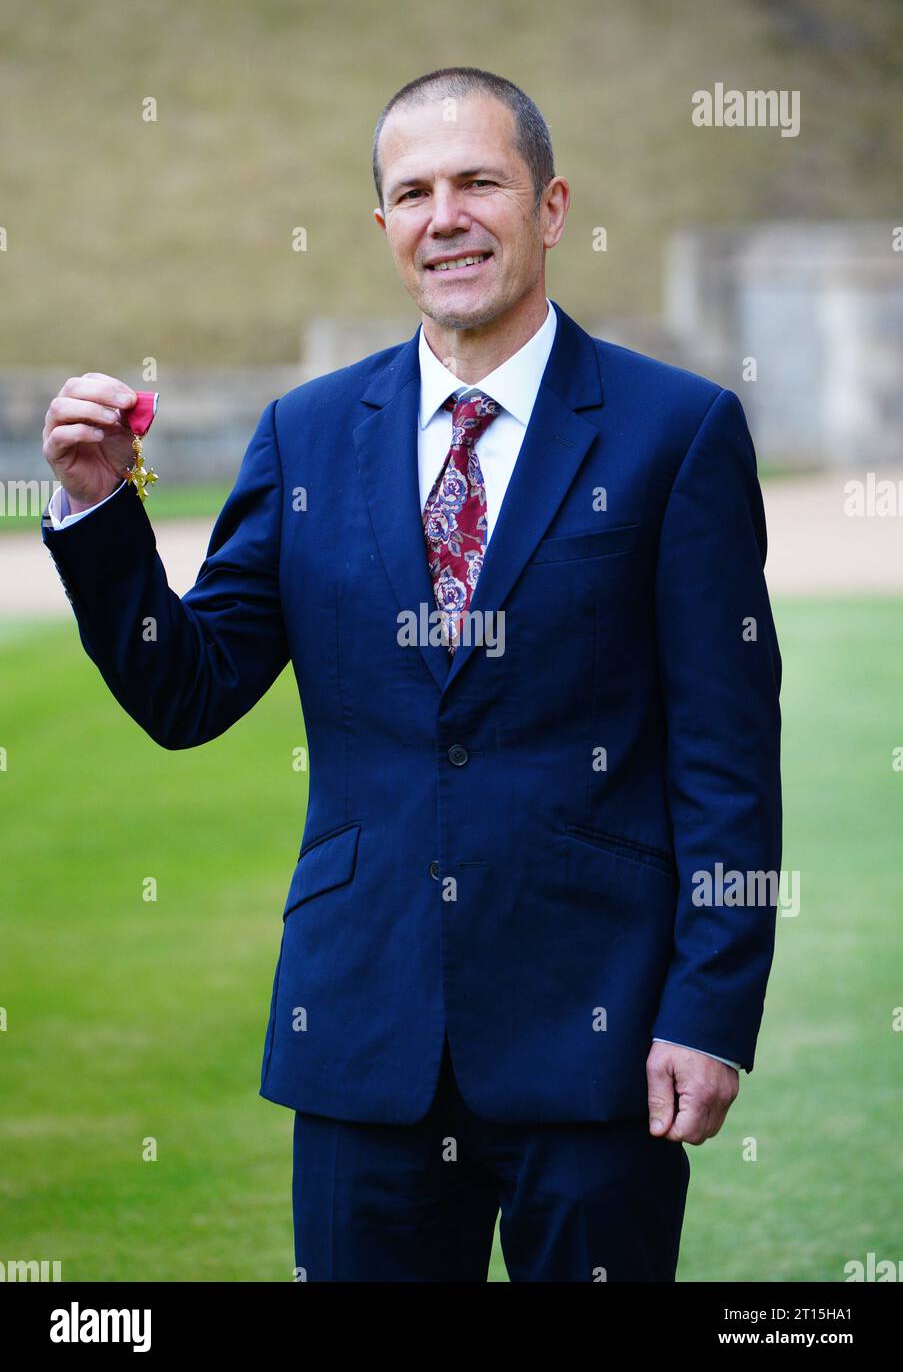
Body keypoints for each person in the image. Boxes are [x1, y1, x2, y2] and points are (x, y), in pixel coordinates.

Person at [40, 66, 782, 1282]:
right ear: (382, 226)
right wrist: (96, 510)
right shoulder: (305, 433)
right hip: (363, 1033)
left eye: (479, 182)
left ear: (549, 207)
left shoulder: (677, 431)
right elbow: (189, 690)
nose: (447, 216)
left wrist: (709, 1009)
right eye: (413, 192)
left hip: (595, 1037)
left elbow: (729, 756)